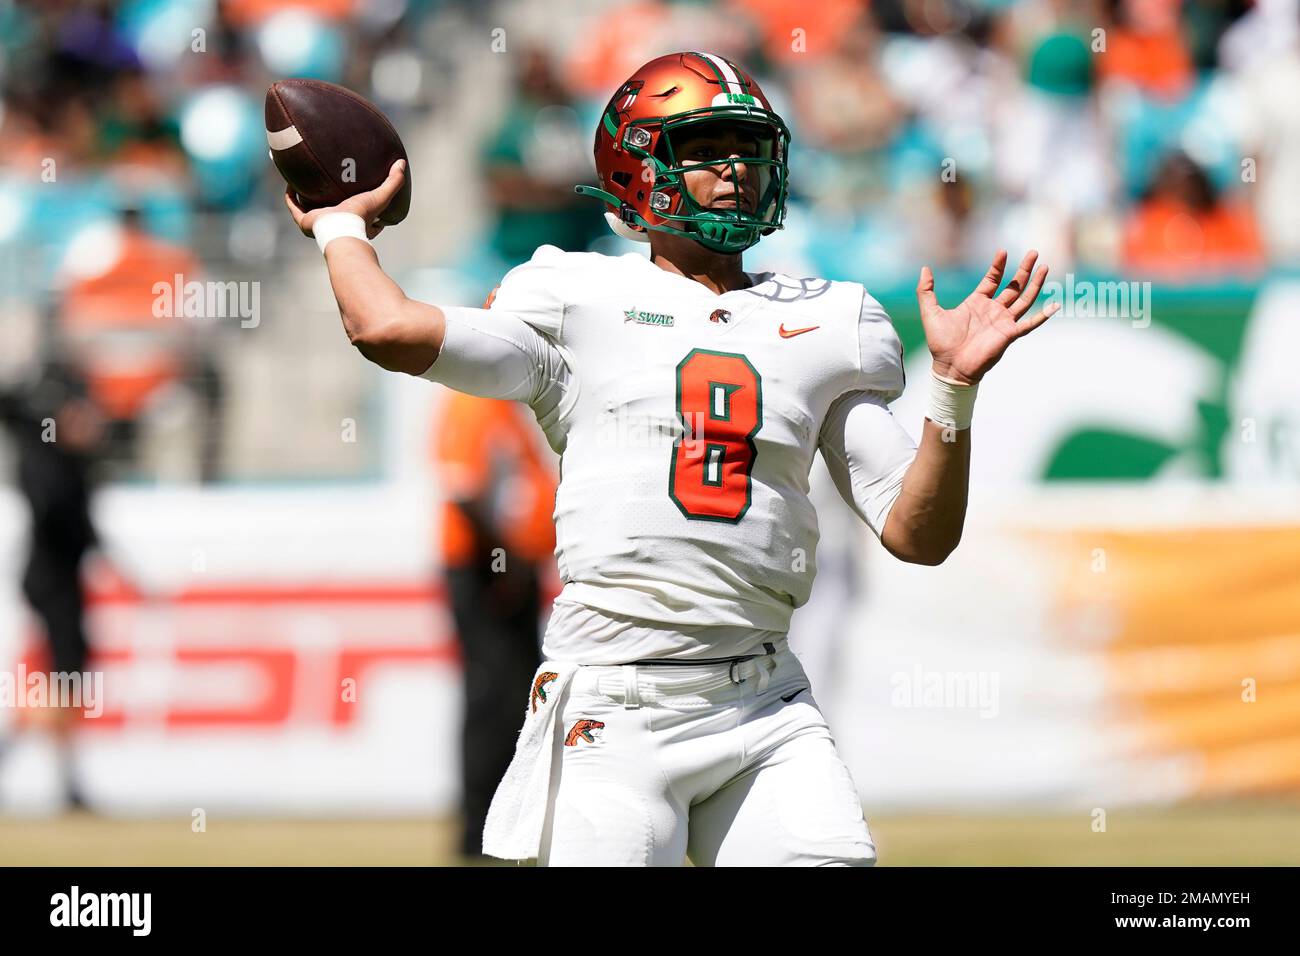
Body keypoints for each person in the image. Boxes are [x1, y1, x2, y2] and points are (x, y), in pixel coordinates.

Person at [286, 51, 1059, 866]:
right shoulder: (575, 296)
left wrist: (952, 390)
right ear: (639, 167)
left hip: (764, 702)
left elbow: (918, 533)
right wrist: (341, 224)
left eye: (747, 146)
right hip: (614, 701)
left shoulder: (832, 318)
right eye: (705, 148)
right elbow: (388, 329)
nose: (735, 168)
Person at [430, 390, 557, 861]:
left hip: (505, 568)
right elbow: (462, 490)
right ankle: (480, 834)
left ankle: (512, 826)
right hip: (484, 569)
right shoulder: (471, 400)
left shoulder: (503, 406)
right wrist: (507, 563)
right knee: (492, 700)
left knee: (520, 699)